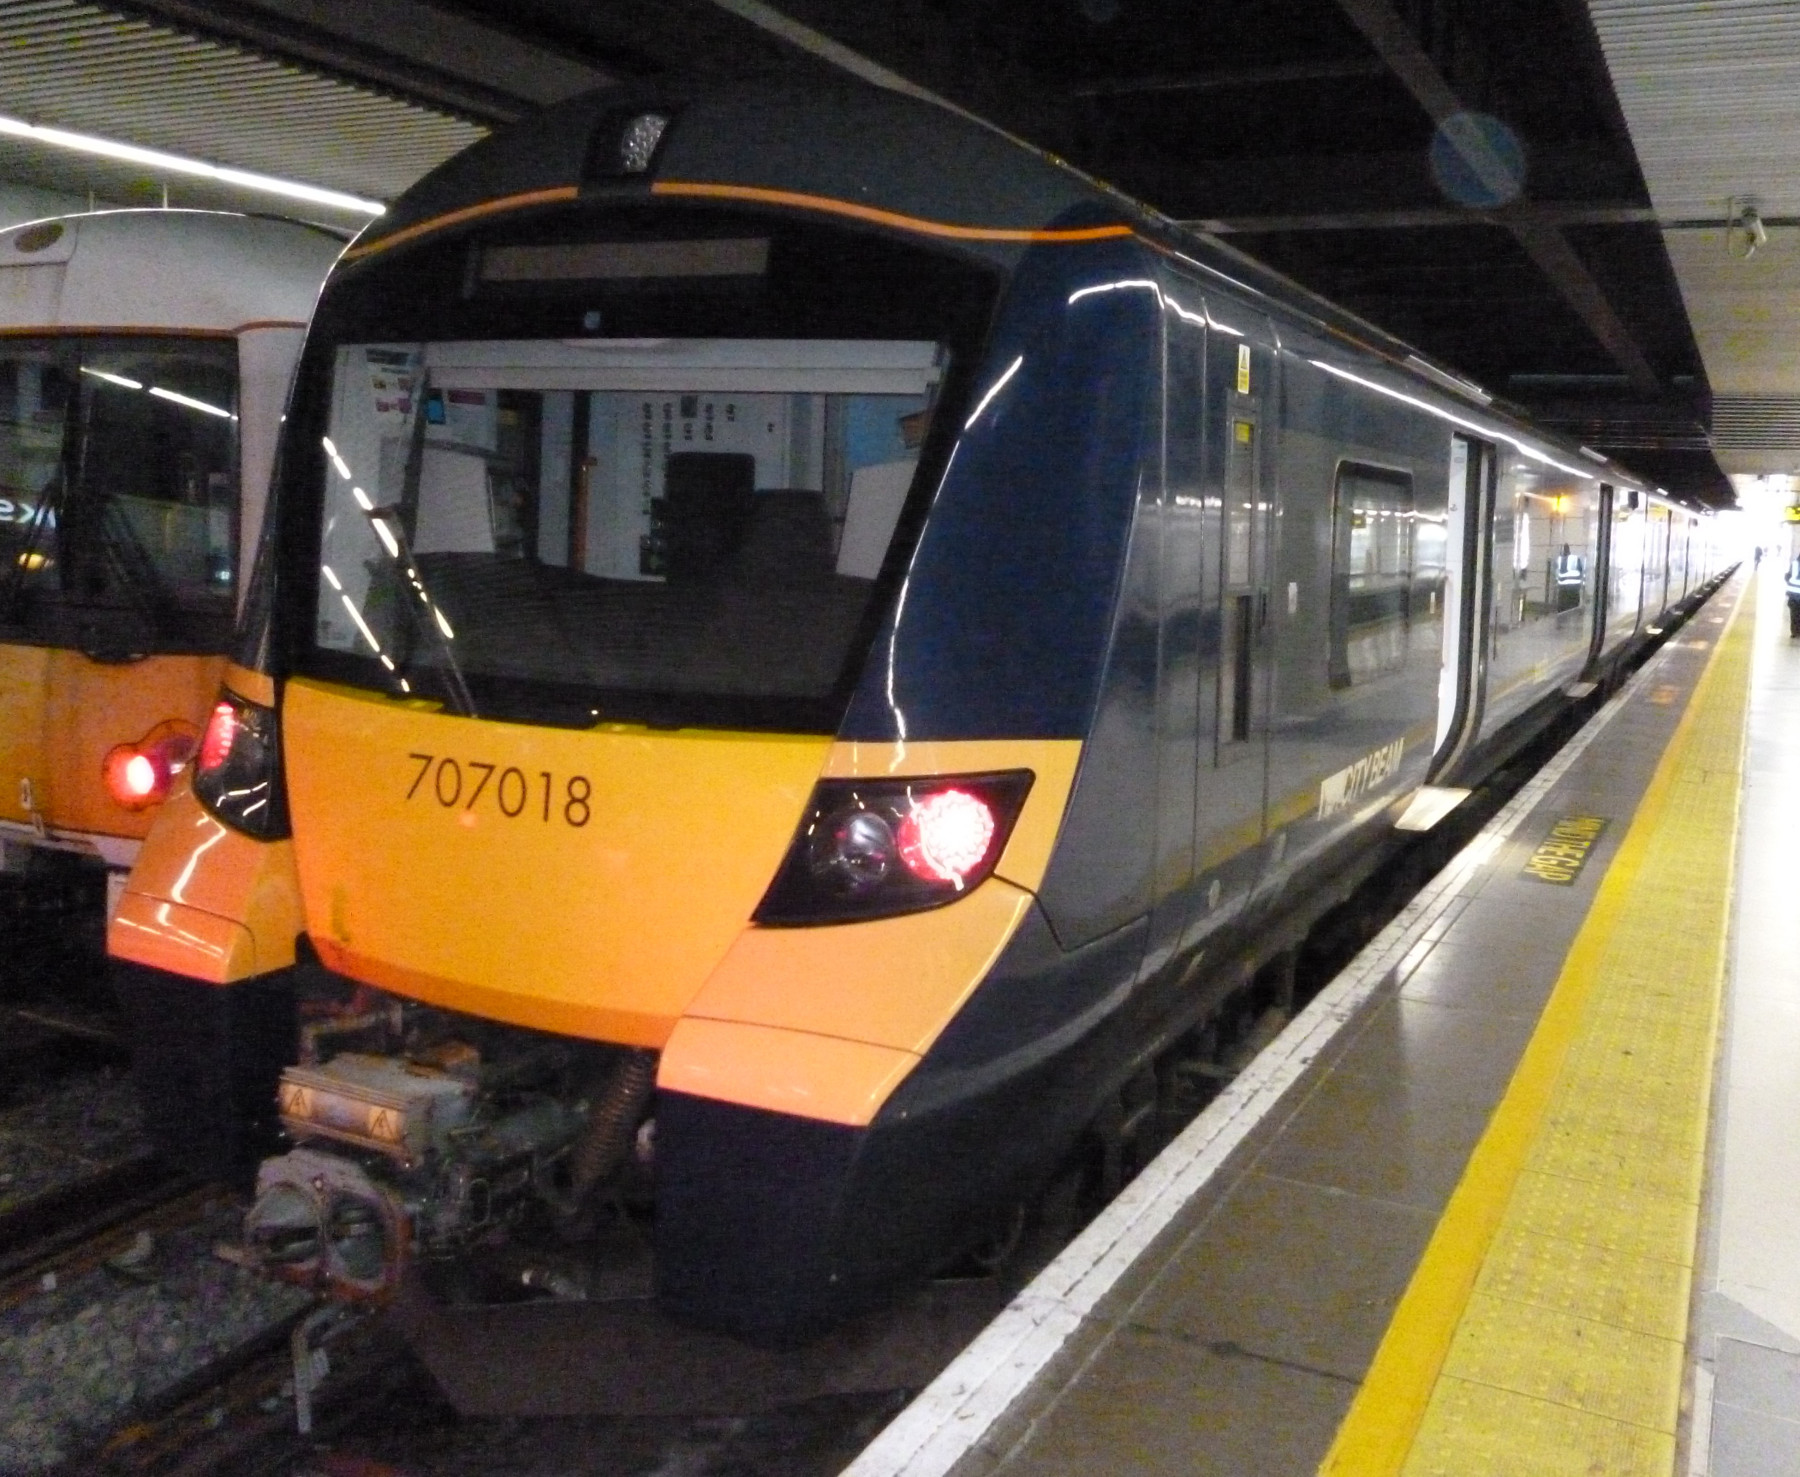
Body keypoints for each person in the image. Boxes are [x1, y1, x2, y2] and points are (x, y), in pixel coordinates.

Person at [1785, 553, 1800, 637]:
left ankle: (1794, 632)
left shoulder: (1794, 563)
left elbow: (1788, 576)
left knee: (1794, 613)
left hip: (1793, 594)